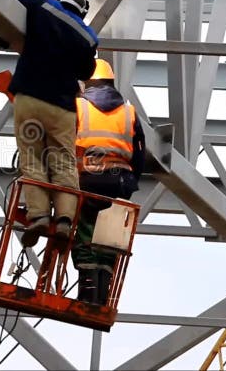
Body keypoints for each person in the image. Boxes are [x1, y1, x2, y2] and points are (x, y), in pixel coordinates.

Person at [0, 0, 98, 248]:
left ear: (61, 0)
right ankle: (64, 221)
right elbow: (87, 71)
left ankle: (38, 216)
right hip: (61, 109)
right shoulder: (88, 36)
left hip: (29, 100)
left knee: (32, 159)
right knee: (63, 162)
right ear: (82, 12)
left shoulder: (41, 7)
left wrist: (1, 36)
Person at [72, 59, 144, 305]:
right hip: (120, 182)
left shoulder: (79, 106)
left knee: (84, 231)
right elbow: (140, 154)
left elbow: (64, 142)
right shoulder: (129, 111)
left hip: (88, 178)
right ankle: (102, 294)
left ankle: (87, 292)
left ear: (88, 82)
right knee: (110, 237)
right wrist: (131, 179)